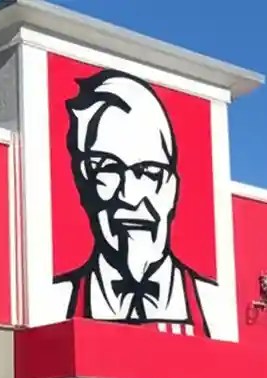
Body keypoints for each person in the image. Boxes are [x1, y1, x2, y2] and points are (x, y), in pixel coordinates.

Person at [47, 69, 225, 338]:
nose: (130, 195)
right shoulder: (56, 301)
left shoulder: (213, 304)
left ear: (172, 188)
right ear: (83, 185)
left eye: (150, 172)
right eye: (107, 168)